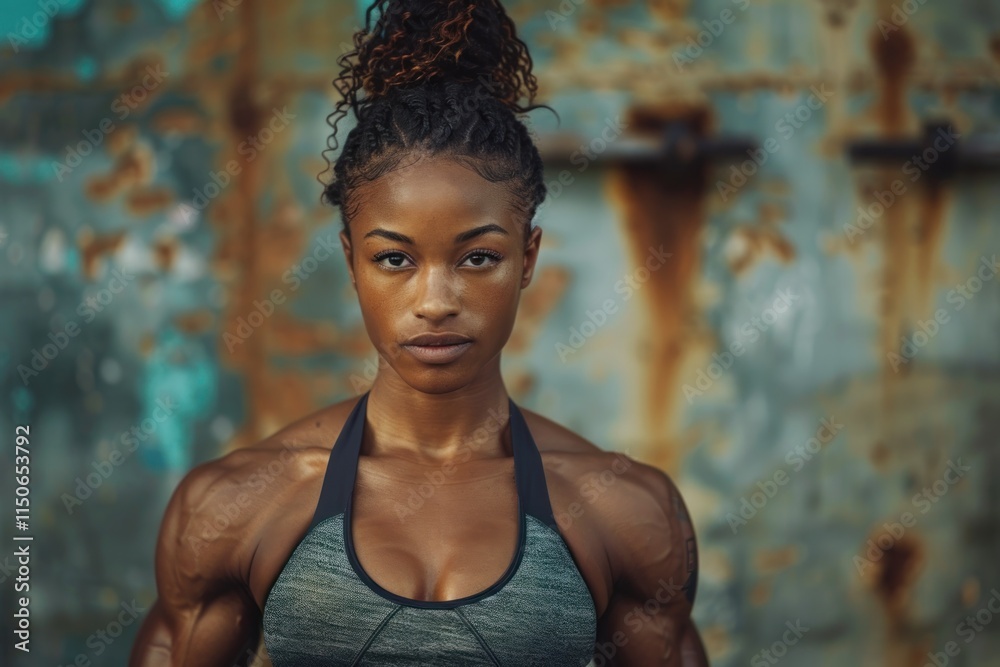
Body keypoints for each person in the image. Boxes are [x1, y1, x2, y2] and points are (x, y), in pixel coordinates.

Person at [129, 1, 708, 665]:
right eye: (395, 259)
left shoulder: (625, 511)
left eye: (478, 257)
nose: (435, 302)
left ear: (528, 258)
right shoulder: (234, 505)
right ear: (352, 261)